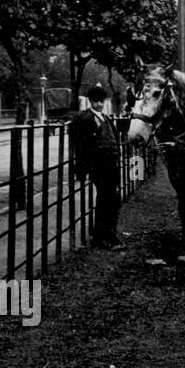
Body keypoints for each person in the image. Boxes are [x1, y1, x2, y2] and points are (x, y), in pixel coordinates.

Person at [71, 85, 124, 249]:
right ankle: (103, 237)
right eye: (96, 101)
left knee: (112, 199)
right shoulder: (85, 119)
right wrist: (82, 168)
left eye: (101, 101)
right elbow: (80, 146)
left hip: (111, 165)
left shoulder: (106, 118)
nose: (99, 104)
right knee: (105, 200)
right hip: (98, 166)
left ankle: (107, 234)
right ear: (90, 101)